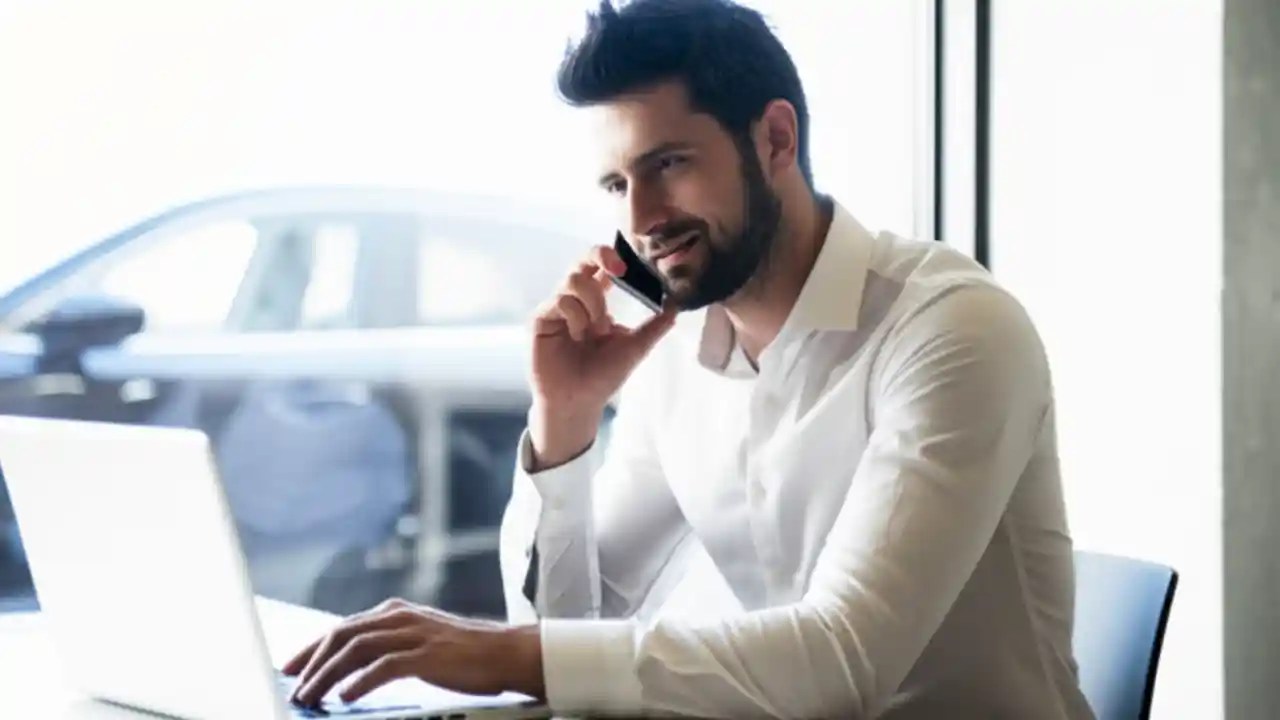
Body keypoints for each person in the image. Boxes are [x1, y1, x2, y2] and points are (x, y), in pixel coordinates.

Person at [285, 1, 1095, 717]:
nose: (641, 219)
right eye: (614, 185)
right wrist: (563, 427)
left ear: (775, 138)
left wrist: (498, 654)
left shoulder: (954, 329)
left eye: (666, 165)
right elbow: (572, 637)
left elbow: (843, 660)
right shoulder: (680, 353)